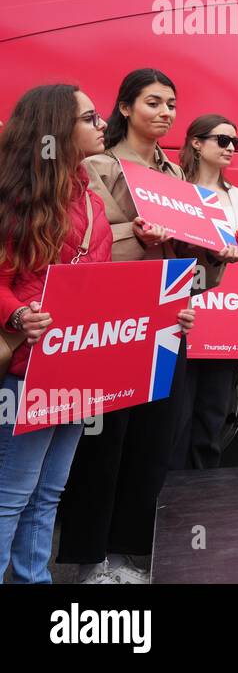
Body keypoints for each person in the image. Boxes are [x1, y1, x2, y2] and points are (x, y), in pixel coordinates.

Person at [57, 69, 235, 583]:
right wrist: (139, 234)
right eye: (153, 102)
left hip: (167, 322)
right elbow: (84, 242)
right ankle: (88, 561)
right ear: (126, 108)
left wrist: (214, 253)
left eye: (172, 105)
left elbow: (193, 267)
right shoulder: (100, 165)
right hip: (113, 325)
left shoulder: (179, 180)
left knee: (155, 444)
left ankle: (133, 558)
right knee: (105, 446)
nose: (165, 112)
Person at [0, 86, 112, 583]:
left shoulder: (91, 197)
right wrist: (19, 315)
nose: (102, 123)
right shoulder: (15, 197)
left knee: (47, 495)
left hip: (77, 368)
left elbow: (106, 289)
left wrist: (168, 315)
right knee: (10, 496)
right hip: (27, 370)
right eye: (90, 117)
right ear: (54, 131)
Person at [172, 114, 238, 470]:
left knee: (212, 417)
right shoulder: (175, 191)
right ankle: (168, 498)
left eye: (235, 143)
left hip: (226, 319)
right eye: (222, 141)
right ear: (196, 142)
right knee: (175, 418)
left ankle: (203, 496)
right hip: (180, 315)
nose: (230, 149)